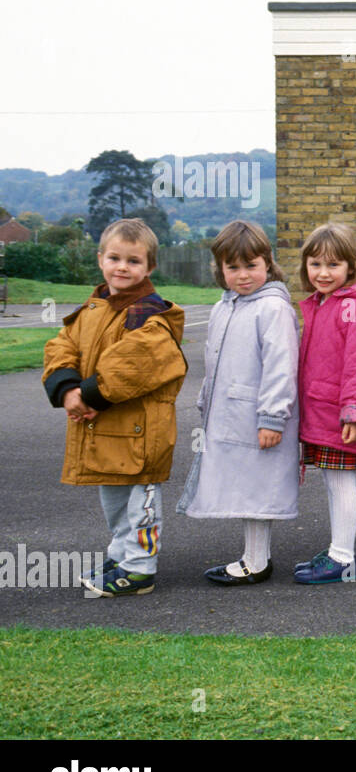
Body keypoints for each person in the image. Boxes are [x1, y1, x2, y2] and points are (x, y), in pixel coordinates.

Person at [42, 218, 187, 597]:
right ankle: (121, 553)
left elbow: (133, 363)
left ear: (149, 267)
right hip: (105, 429)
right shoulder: (94, 308)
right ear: (100, 259)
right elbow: (62, 345)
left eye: (134, 261)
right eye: (115, 258)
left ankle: (139, 568)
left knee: (140, 503)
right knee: (114, 502)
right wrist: (67, 389)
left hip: (139, 432)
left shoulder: (152, 315)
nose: (122, 267)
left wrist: (87, 396)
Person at [177, 220, 300, 585]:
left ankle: (256, 562)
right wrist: (205, 400)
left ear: (268, 263)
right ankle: (253, 557)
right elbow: (214, 362)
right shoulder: (225, 307)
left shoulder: (273, 309)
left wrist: (272, 418)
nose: (243, 275)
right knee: (247, 487)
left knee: (258, 488)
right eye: (233, 267)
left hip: (259, 418)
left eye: (251, 266)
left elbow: (282, 367)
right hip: (232, 415)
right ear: (221, 269)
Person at [292, 222, 356, 583]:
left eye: (333, 265)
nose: (323, 273)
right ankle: (336, 551)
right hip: (324, 410)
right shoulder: (322, 304)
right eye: (315, 264)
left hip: (343, 415)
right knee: (333, 482)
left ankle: (343, 558)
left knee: (342, 482)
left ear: (351, 267)